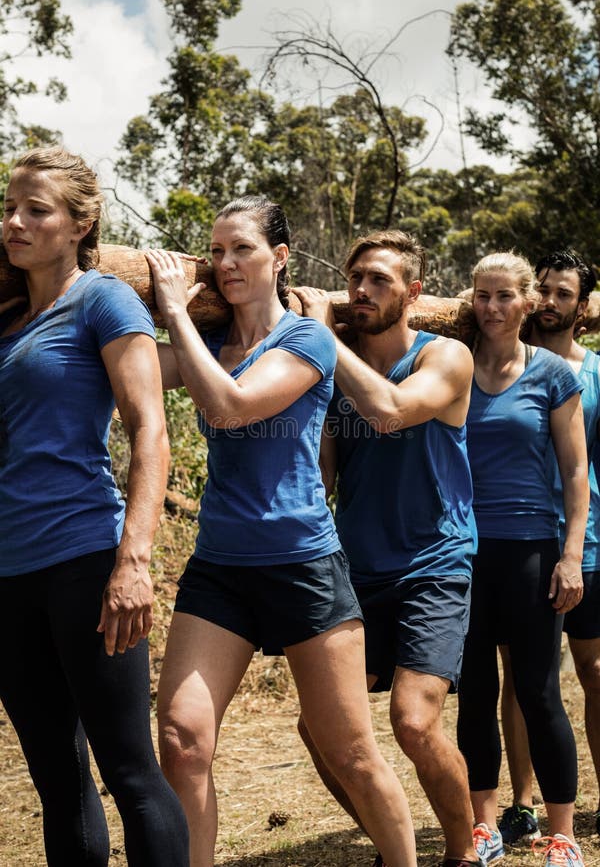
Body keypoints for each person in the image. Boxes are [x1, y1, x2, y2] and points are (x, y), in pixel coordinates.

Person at [145, 197, 417, 867]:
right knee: (181, 740)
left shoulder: (308, 340)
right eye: (216, 251)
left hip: (303, 565)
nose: (227, 263)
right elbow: (122, 363)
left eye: (243, 248)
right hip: (219, 568)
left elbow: (231, 406)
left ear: (280, 257)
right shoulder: (208, 345)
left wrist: (174, 311)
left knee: (350, 754)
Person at [0, 147, 189, 866]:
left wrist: (134, 561)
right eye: (9, 208)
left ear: (80, 225)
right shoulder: (9, 321)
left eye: (35, 210)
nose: (14, 222)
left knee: (129, 769)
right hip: (9, 574)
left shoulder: (103, 299)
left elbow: (149, 429)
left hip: (85, 558)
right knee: (57, 778)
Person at [295, 229, 483, 867]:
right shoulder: (334, 365)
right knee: (318, 729)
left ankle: (463, 854)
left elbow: (391, 411)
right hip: (357, 568)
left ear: (414, 292)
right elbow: (321, 473)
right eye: (355, 278)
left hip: (435, 563)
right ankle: (392, 845)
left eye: (380, 279)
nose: (362, 290)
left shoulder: (446, 357)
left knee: (414, 722)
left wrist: (323, 338)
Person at [457, 251, 589, 867]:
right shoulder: (452, 363)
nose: (492, 307)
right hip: (461, 550)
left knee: (538, 692)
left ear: (527, 301)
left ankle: (563, 834)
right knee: (476, 692)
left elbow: (575, 470)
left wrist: (570, 554)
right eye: (482, 295)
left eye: (504, 295)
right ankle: (484, 826)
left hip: (532, 550)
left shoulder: (552, 374)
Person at [497, 250, 600, 845]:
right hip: (520, 542)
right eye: (546, 290)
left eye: (566, 293)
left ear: (583, 307)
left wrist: (579, 543)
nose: (552, 302)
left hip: (588, 542)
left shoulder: (594, 373)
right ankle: (522, 803)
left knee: (594, 669)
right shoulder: (498, 361)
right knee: (522, 674)